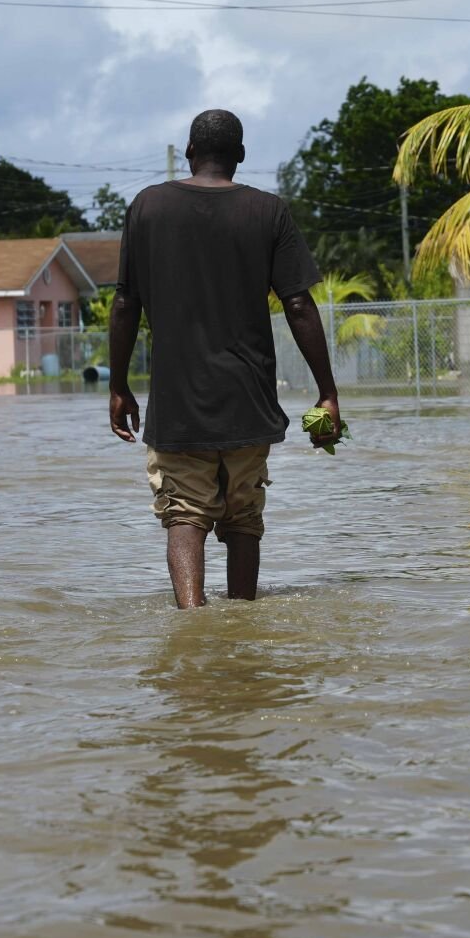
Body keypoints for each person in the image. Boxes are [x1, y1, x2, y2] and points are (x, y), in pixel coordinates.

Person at [108, 109, 342, 609]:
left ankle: (193, 628)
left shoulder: (147, 207)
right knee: (242, 518)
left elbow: (126, 301)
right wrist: (327, 392)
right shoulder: (268, 211)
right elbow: (298, 303)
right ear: (240, 157)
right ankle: (241, 623)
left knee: (184, 514)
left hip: (178, 400)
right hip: (249, 397)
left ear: (190, 151)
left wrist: (119, 385)